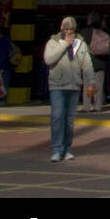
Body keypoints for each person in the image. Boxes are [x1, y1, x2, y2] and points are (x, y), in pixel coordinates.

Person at [44, 17, 94, 162]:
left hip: (74, 86)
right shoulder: (53, 42)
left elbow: (87, 63)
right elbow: (48, 59)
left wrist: (90, 80)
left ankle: (66, 149)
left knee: (69, 121)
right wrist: (64, 45)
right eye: (66, 30)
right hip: (57, 86)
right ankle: (56, 149)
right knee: (57, 117)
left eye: (71, 30)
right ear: (61, 30)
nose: (69, 32)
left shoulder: (81, 44)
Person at [79, 13, 110, 112]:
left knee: (87, 85)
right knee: (98, 86)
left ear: (89, 20)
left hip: (88, 63)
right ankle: (97, 107)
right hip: (100, 63)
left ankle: (87, 107)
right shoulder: (104, 33)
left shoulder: (84, 32)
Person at [0, 26, 16, 104]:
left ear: (0, 33)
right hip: (7, 67)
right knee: (4, 84)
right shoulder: (9, 42)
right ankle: (2, 100)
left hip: (0, 67)